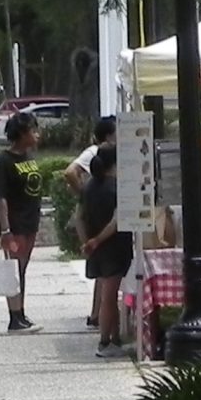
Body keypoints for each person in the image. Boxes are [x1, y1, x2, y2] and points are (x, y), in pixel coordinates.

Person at [77, 143, 135, 356]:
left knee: (108, 292)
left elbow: (79, 219)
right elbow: (117, 220)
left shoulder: (88, 187)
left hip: (96, 251)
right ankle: (104, 342)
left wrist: (87, 242)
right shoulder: (118, 188)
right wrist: (98, 240)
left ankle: (116, 338)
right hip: (114, 247)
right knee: (110, 297)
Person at [64, 114, 119, 322]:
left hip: (97, 213)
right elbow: (70, 172)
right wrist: (85, 196)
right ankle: (99, 315)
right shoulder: (95, 153)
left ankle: (97, 313)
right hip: (100, 215)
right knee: (105, 267)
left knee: (102, 270)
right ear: (108, 136)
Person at [0, 115, 45, 331]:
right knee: (14, 268)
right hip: (15, 223)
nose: (37, 135)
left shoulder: (28, 157)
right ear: (22, 134)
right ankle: (14, 317)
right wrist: (6, 230)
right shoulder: (4, 161)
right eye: (33, 131)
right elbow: (0, 198)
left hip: (30, 220)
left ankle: (21, 313)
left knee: (23, 268)